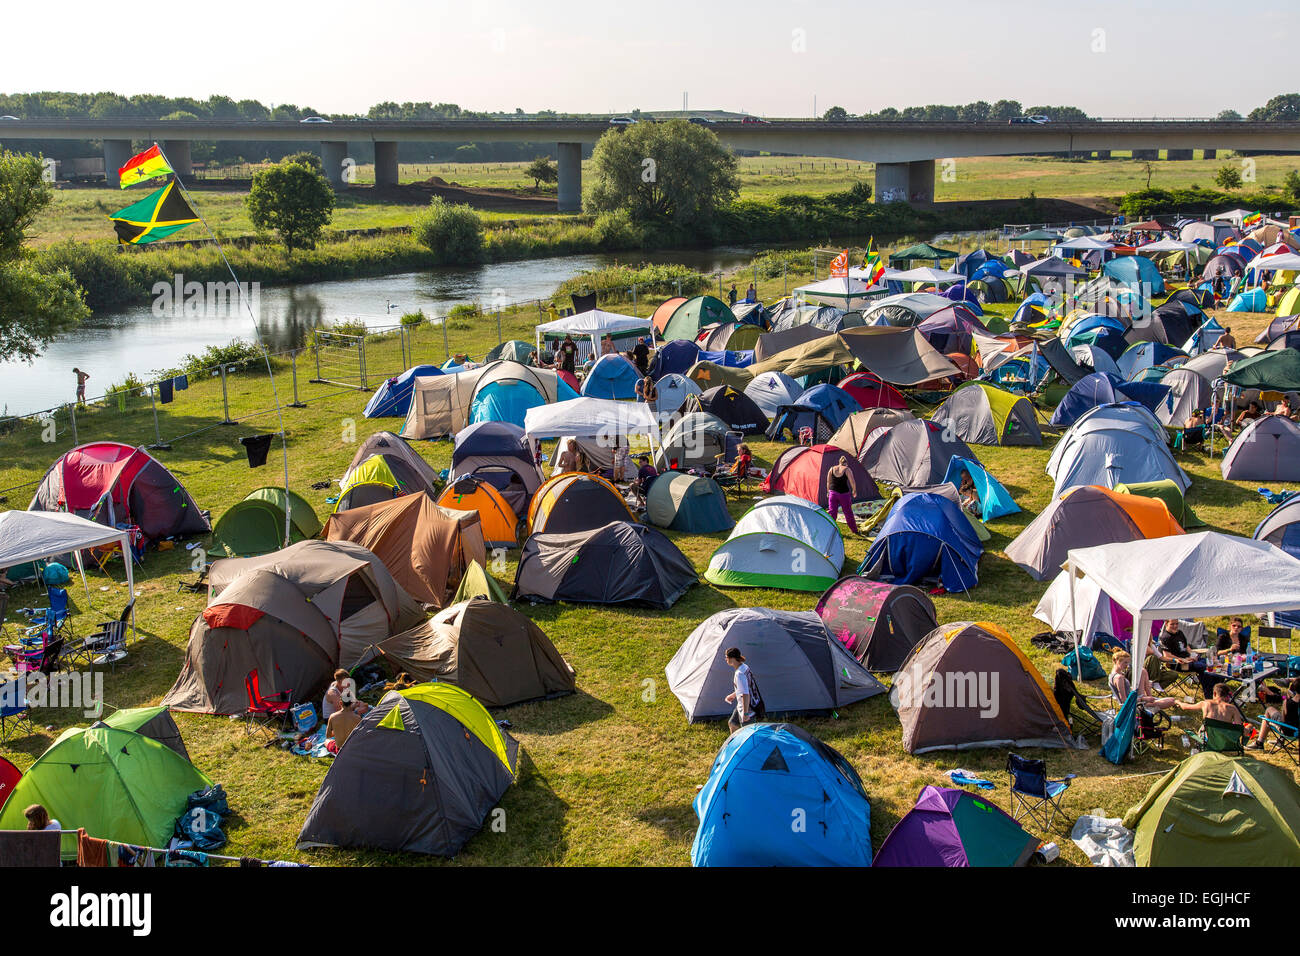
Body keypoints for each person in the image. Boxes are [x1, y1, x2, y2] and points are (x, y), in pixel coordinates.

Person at [1109, 650, 1177, 711]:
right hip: (1132, 706)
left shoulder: (1115, 674)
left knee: (1172, 700)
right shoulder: (1118, 678)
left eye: (1128, 663)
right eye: (1125, 662)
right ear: (1116, 661)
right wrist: (1143, 699)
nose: (1127, 665)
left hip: (1135, 701)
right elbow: (1124, 701)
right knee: (1171, 701)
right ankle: (1149, 706)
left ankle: (1150, 705)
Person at [1248, 677, 1300, 750]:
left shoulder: (1287, 702)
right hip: (1297, 731)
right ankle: (1280, 741)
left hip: (1289, 732)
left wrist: (1286, 698)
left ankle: (1259, 743)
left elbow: (1283, 720)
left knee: (1269, 710)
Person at [723, 646, 763, 733]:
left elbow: (746, 694)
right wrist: (733, 695)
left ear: (732, 658)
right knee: (732, 723)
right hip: (742, 705)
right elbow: (745, 687)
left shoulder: (740, 674)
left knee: (748, 735)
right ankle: (734, 744)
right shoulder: (744, 667)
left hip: (747, 708)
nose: (726, 659)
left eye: (727, 657)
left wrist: (746, 714)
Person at [1177, 683, 1243, 726]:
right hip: (1224, 740)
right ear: (1227, 696)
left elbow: (1185, 707)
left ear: (1214, 693)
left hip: (1207, 740)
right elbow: (1238, 729)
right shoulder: (1232, 708)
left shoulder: (1205, 703)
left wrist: (1178, 702)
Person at [826, 455, 860, 534]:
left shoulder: (831, 469)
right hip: (843, 494)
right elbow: (852, 481)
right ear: (846, 463)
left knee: (832, 512)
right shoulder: (847, 469)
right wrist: (854, 491)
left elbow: (828, 482)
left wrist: (828, 492)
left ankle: (829, 529)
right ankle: (854, 530)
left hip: (832, 493)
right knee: (848, 512)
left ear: (839, 462)